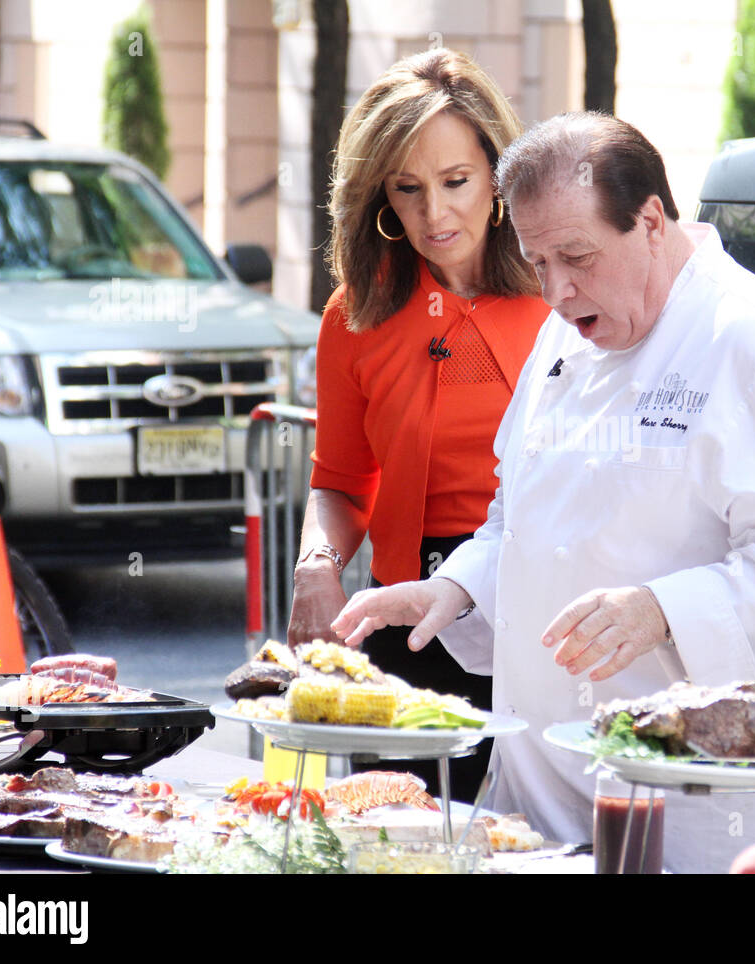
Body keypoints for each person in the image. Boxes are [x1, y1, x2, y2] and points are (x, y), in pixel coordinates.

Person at [331, 111, 755, 873]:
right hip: (537, 796)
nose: (555, 289)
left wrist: (661, 609)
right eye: (537, 261)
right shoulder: (570, 329)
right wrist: (452, 588)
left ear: (651, 220)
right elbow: (518, 519)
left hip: (693, 804)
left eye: (576, 257)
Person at [288, 49, 546, 798]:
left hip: (532, 607)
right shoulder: (355, 314)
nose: (435, 215)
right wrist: (316, 567)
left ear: (499, 173)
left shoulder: (561, 296)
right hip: (401, 618)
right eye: (408, 190)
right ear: (382, 203)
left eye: (457, 182)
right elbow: (338, 480)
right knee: (397, 830)